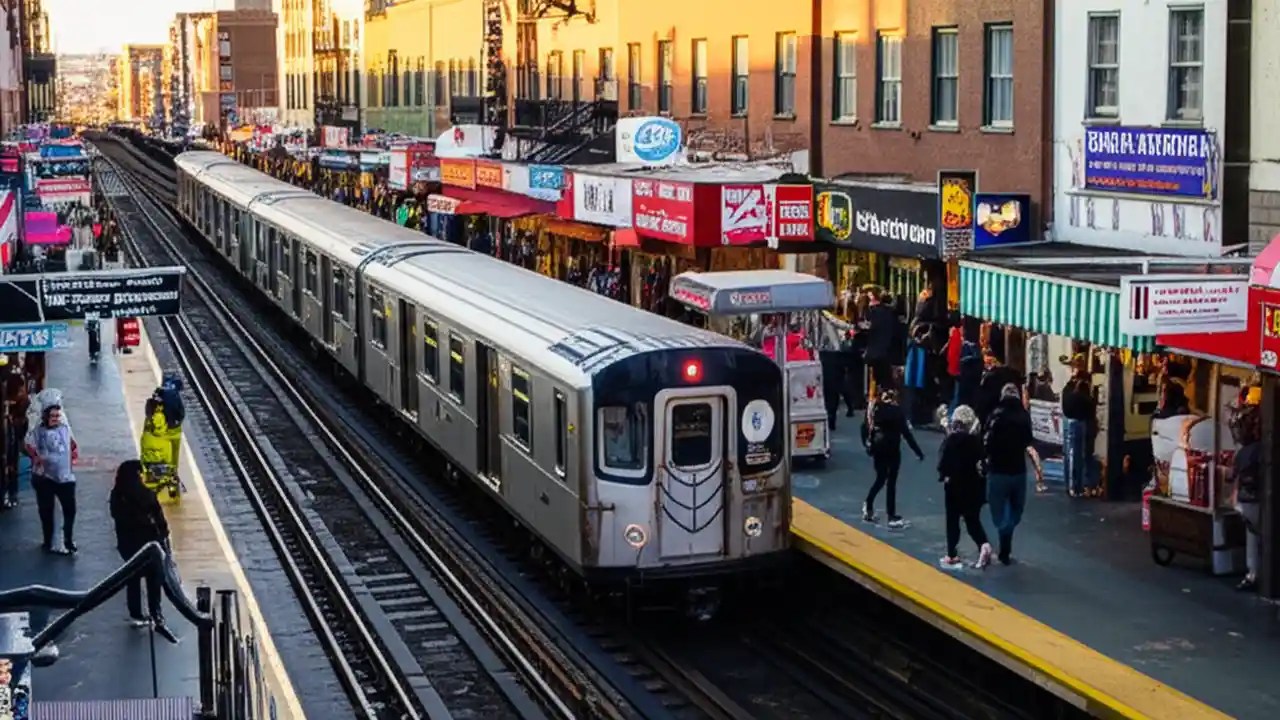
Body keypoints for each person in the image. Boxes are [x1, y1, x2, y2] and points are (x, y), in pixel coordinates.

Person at [109, 460, 171, 626]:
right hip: (150, 544)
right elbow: (160, 520)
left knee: (132, 579)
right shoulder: (147, 494)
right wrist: (163, 536)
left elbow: (116, 516)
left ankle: (135, 613)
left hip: (127, 545)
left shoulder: (117, 495)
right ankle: (156, 613)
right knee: (154, 578)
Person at [983, 384, 1039, 565]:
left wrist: (986, 459)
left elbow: (987, 441)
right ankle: (1006, 542)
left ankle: (1004, 532)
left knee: (998, 509)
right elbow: (1028, 439)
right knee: (1016, 508)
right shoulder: (1024, 416)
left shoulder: (995, 415)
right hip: (1018, 470)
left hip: (998, 469)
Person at [861, 389, 925, 529]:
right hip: (893, 449)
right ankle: (891, 515)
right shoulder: (898, 413)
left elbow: (864, 428)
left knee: (880, 479)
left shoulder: (874, 410)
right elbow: (907, 434)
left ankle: (868, 505)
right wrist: (918, 452)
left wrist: (867, 444)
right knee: (891, 483)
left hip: (878, 449)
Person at [938, 405, 992, 570]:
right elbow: (983, 464)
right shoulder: (976, 442)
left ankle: (951, 554)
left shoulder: (950, 441)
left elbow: (941, 464)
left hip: (953, 485)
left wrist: (944, 475)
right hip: (973, 486)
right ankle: (984, 545)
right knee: (972, 520)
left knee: (952, 521)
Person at [24, 404, 78, 554]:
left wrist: (72, 455)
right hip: (45, 478)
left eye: (57, 416)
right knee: (46, 511)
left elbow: (73, 445)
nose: (55, 419)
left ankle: (68, 540)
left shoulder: (65, 429)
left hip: (65, 478)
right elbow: (28, 446)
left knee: (70, 510)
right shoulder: (37, 432)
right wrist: (36, 458)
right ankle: (48, 541)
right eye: (52, 416)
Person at [1228, 397, 1262, 592]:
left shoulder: (1243, 454)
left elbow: (1232, 477)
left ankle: (1252, 574)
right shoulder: (1261, 449)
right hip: (1256, 501)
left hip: (1247, 502)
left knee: (1253, 537)